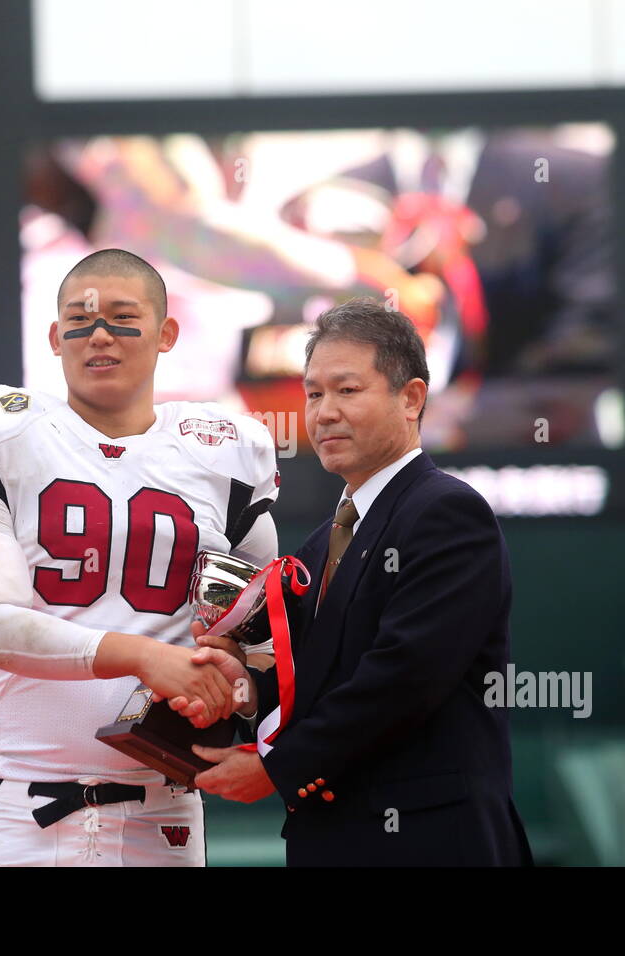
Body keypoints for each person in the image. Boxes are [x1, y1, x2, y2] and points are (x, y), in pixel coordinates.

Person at [0, 249, 280, 866]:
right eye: (80, 323)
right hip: (19, 809)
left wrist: (229, 689)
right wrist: (146, 657)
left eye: (122, 317)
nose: (100, 336)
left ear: (167, 333)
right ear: (56, 338)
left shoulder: (226, 452)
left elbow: (258, 642)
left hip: (164, 813)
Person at [190, 297, 534, 866]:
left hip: (434, 844)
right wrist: (240, 684)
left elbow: (405, 676)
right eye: (313, 393)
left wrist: (279, 767)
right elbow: (305, 682)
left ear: (412, 398)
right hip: (334, 840)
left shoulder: (447, 512)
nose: (323, 413)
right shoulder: (323, 542)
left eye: (347, 391)